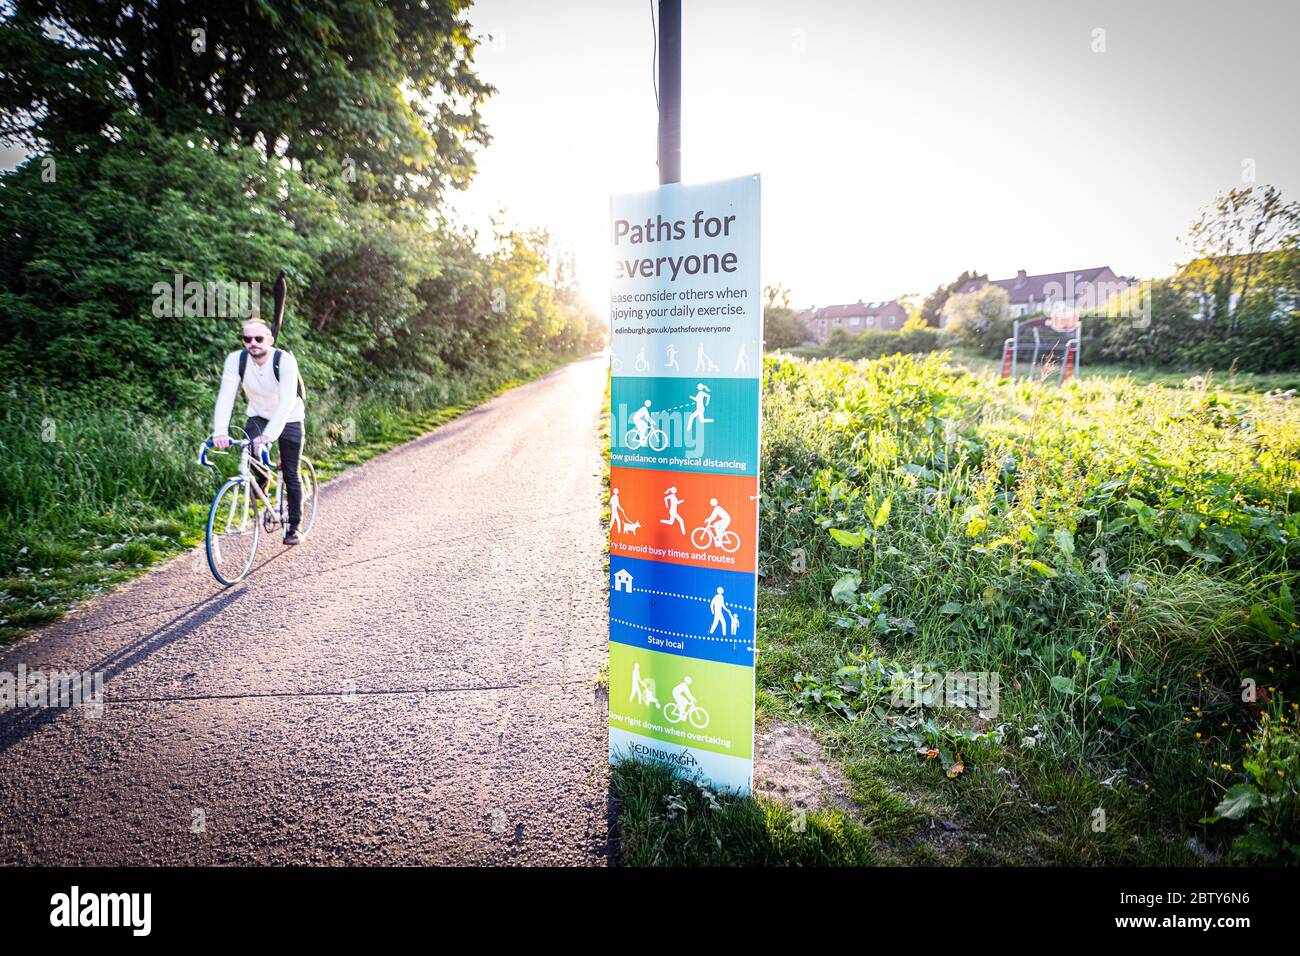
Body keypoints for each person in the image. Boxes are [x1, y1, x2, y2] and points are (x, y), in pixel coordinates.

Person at [211, 317, 306, 544]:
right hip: (258, 414)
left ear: (270, 340)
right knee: (251, 451)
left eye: (258, 338)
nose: (253, 343)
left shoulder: (284, 361)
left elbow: (285, 402)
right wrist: (220, 431)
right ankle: (262, 482)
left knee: (291, 471)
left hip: (290, 416)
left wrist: (268, 437)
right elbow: (226, 396)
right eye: (247, 338)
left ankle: (294, 526)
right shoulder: (236, 360)